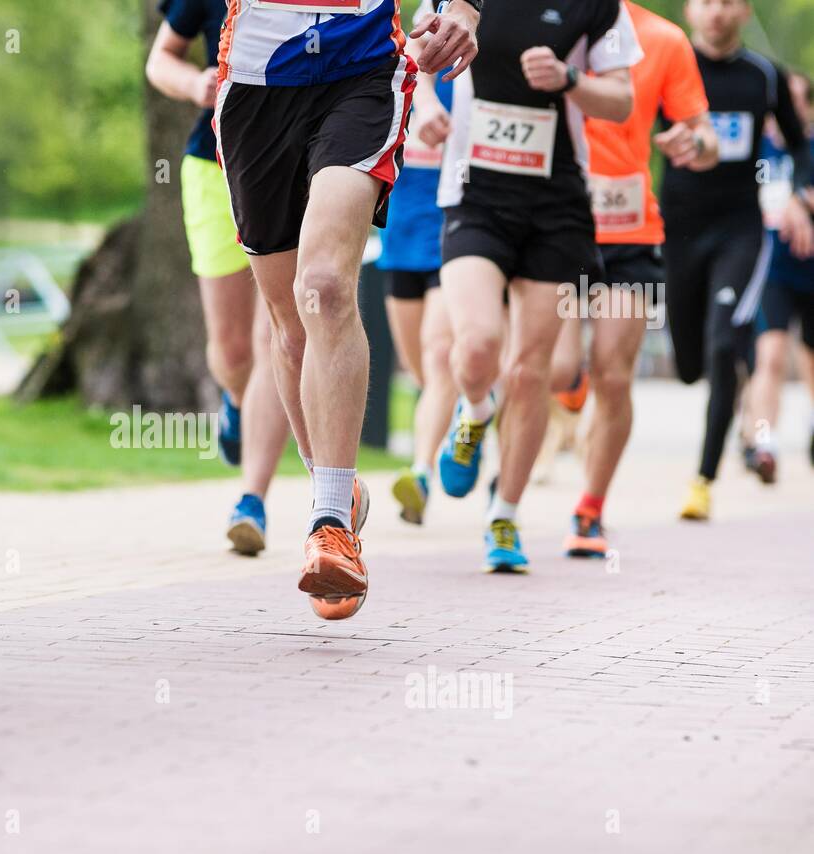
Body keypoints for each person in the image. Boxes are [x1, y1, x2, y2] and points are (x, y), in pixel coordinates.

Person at [213, 0, 481, 618]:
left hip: (362, 71)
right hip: (256, 84)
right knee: (289, 323)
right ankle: (335, 487)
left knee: (327, 286)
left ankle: (330, 522)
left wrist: (465, 7)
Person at [432, 0, 640, 573]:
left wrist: (570, 79)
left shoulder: (598, 7)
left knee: (532, 369)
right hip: (475, 194)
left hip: (557, 205)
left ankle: (505, 514)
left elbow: (623, 100)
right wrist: (425, 108)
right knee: (476, 345)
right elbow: (413, 58)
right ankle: (474, 412)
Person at [553, 0, 719, 558]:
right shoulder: (548, 19)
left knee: (614, 375)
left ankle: (590, 509)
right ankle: (561, 383)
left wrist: (691, 144)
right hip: (555, 219)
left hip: (631, 231)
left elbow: (707, 136)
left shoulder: (665, 39)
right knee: (552, 370)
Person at [146, 0, 291, 556]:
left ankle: (251, 499)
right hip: (214, 165)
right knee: (233, 353)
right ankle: (236, 400)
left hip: (294, 160)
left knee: (275, 333)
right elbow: (161, 58)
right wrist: (192, 83)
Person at [663, 0, 814, 521]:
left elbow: (797, 146)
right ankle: (726, 403)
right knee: (688, 365)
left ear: (745, 12)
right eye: (707, 2)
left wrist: (797, 192)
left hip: (739, 230)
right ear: (689, 10)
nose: (717, 13)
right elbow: (623, 121)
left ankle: (702, 480)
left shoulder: (763, 76)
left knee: (725, 344)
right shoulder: (669, 61)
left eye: (728, 2)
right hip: (678, 231)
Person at [382, 65, 458, 527]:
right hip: (400, 243)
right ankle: (463, 423)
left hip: (456, 241)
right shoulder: (391, 70)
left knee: (440, 353)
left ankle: (421, 472)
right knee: (420, 371)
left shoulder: (472, 77)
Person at [749, 69, 814, 481]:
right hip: (772, 270)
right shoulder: (760, 153)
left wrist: (803, 204)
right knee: (769, 356)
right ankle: (763, 442)